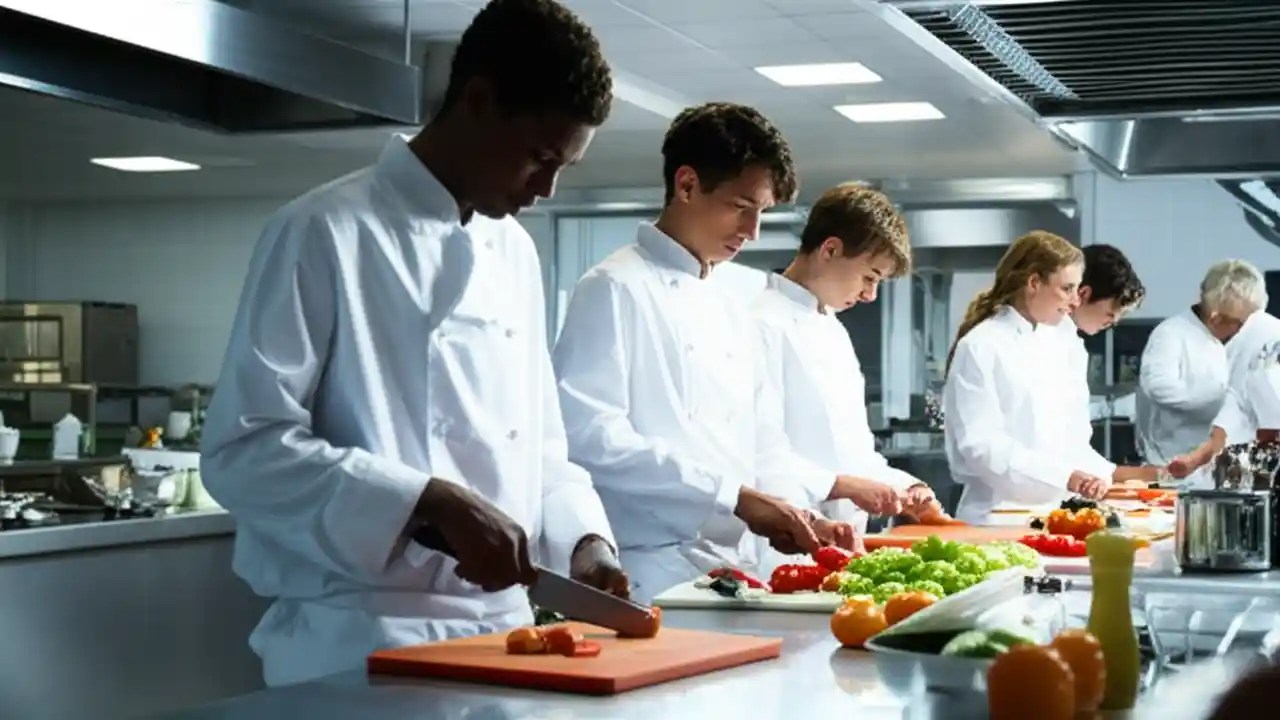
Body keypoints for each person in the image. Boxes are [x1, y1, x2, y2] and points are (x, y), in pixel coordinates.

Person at [199, 0, 627, 687]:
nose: (545, 190)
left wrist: (586, 543)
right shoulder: (323, 230)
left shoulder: (514, 252)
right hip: (359, 640)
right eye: (540, 158)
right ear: (479, 100)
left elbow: (542, 447)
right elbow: (241, 450)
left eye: (563, 168)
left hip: (505, 632)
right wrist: (425, 499)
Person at [552, 102, 858, 603]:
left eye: (763, 212)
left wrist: (802, 515)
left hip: (733, 568)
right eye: (742, 206)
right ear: (687, 185)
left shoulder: (730, 302)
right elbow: (591, 437)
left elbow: (762, 438)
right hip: (648, 570)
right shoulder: (613, 286)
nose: (754, 230)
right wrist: (732, 498)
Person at [751, 182, 942, 533]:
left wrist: (906, 488)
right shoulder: (760, 322)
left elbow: (855, 453)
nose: (870, 295)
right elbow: (759, 456)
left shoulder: (834, 329)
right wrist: (843, 486)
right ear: (830, 250)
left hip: (843, 537)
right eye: (869, 277)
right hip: (783, 543)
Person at [942, 231, 1112, 525]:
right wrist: (1066, 477)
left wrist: (1098, 475)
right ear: (1034, 283)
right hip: (996, 518)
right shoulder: (982, 345)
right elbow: (982, 446)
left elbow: (1070, 439)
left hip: (1054, 512)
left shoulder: (1056, 343)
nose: (1075, 301)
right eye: (1067, 288)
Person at [1163, 260, 1280, 481]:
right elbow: (1233, 413)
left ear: (1214, 316)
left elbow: (1257, 424)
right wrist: (1196, 459)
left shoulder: (1255, 341)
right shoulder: (1257, 336)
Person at [1057, 244, 1160, 485]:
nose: (1113, 321)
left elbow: (1072, 444)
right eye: (1112, 310)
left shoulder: (1071, 345)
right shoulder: (1037, 343)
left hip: (1057, 490)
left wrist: (1141, 474)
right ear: (1083, 294)